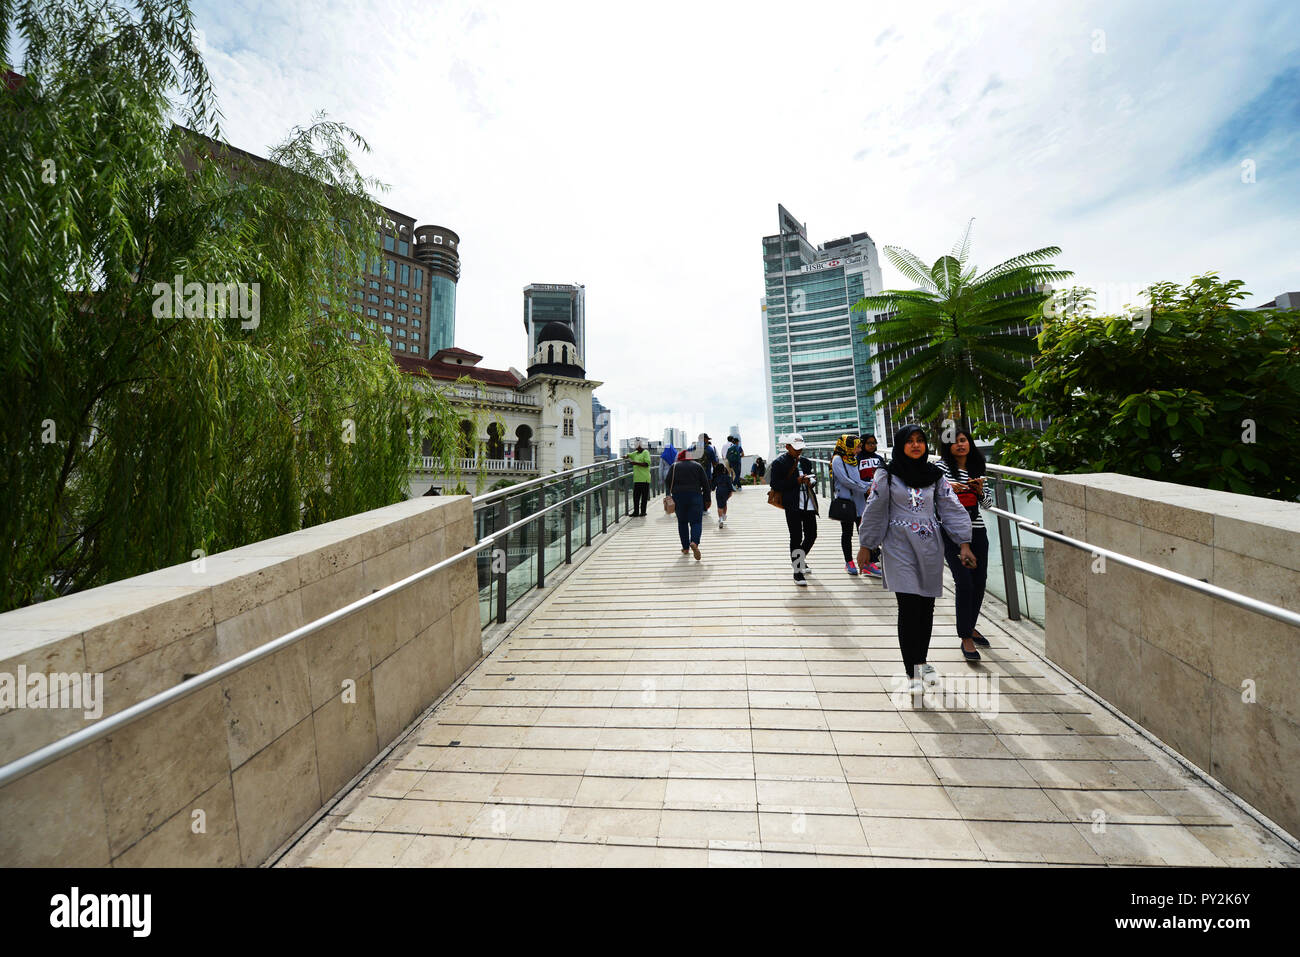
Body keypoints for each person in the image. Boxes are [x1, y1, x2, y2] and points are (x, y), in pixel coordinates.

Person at [858, 425, 977, 692]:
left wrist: (964, 544)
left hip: (929, 546)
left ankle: (921, 663)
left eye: (920, 441)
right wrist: (866, 544)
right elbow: (875, 507)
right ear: (900, 445)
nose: (915, 445)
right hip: (898, 545)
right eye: (909, 441)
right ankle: (911, 674)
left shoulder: (935, 476)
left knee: (926, 609)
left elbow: (951, 507)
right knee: (909, 606)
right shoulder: (886, 474)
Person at [937, 428, 995, 661]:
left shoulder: (977, 468)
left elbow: (989, 505)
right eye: (954, 442)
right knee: (964, 583)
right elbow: (933, 495)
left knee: (980, 582)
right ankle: (965, 637)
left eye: (963, 441)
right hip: (952, 533)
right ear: (947, 447)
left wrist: (980, 491)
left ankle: (970, 625)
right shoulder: (940, 469)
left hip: (977, 531)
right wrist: (951, 488)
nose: (960, 445)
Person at [769, 433, 817, 586]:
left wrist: (811, 482)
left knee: (812, 535)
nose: (799, 451)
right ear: (787, 447)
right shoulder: (779, 463)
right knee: (796, 537)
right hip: (792, 504)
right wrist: (796, 481)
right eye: (796, 448)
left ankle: (799, 560)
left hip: (808, 503)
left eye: (801, 448)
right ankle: (797, 571)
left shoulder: (806, 462)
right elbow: (776, 485)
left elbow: (813, 478)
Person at [830, 434, 873, 575]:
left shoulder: (852, 459)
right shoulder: (837, 460)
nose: (859, 450)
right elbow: (845, 481)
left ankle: (867, 563)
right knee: (847, 533)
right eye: (857, 447)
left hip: (859, 502)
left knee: (864, 533)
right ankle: (849, 562)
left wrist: (871, 485)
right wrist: (865, 487)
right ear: (848, 446)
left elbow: (857, 480)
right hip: (847, 503)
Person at [665, 450, 707, 560]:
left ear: (680, 457)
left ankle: (685, 548)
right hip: (695, 496)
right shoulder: (698, 466)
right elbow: (706, 484)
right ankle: (694, 542)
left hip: (678, 497)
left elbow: (667, 482)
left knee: (682, 522)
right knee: (696, 522)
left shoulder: (674, 466)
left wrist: (668, 495)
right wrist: (707, 499)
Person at [856, 435, 886, 577]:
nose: (872, 445)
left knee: (879, 524)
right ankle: (871, 558)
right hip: (862, 496)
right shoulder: (857, 458)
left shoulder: (879, 459)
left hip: (878, 496)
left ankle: (876, 555)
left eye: (874, 443)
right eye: (869, 443)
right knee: (866, 525)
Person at [626, 442, 652, 517]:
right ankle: (636, 512)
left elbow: (647, 464)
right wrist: (625, 456)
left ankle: (643, 512)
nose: (636, 449)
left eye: (637, 447)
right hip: (637, 479)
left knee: (644, 497)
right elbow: (629, 455)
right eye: (635, 447)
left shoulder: (646, 452)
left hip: (644, 478)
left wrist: (635, 463)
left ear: (641, 446)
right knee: (636, 497)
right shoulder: (635, 453)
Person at [711, 459, 735, 528]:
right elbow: (730, 486)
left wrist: (712, 488)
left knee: (719, 506)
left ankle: (721, 519)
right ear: (723, 470)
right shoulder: (727, 477)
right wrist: (730, 492)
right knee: (724, 503)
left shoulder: (716, 478)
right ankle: (724, 515)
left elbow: (713, 488)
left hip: (719, 491)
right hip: (726, 492)